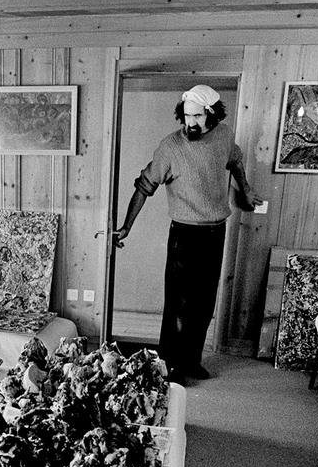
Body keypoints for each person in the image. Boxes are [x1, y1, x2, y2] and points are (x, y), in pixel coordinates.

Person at [113, 84, 263, 383]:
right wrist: (127, 226)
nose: (190, 123)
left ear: (212, 114)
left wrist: (245, 188)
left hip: (215, 232)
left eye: (197, 116)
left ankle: (192, 361)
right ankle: (171, 366)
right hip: (185, 236)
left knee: (205, 303)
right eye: (186, 116)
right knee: (180, 306)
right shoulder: (170, 147)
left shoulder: (223, 135)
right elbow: (144, 186)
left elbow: (234, 159)